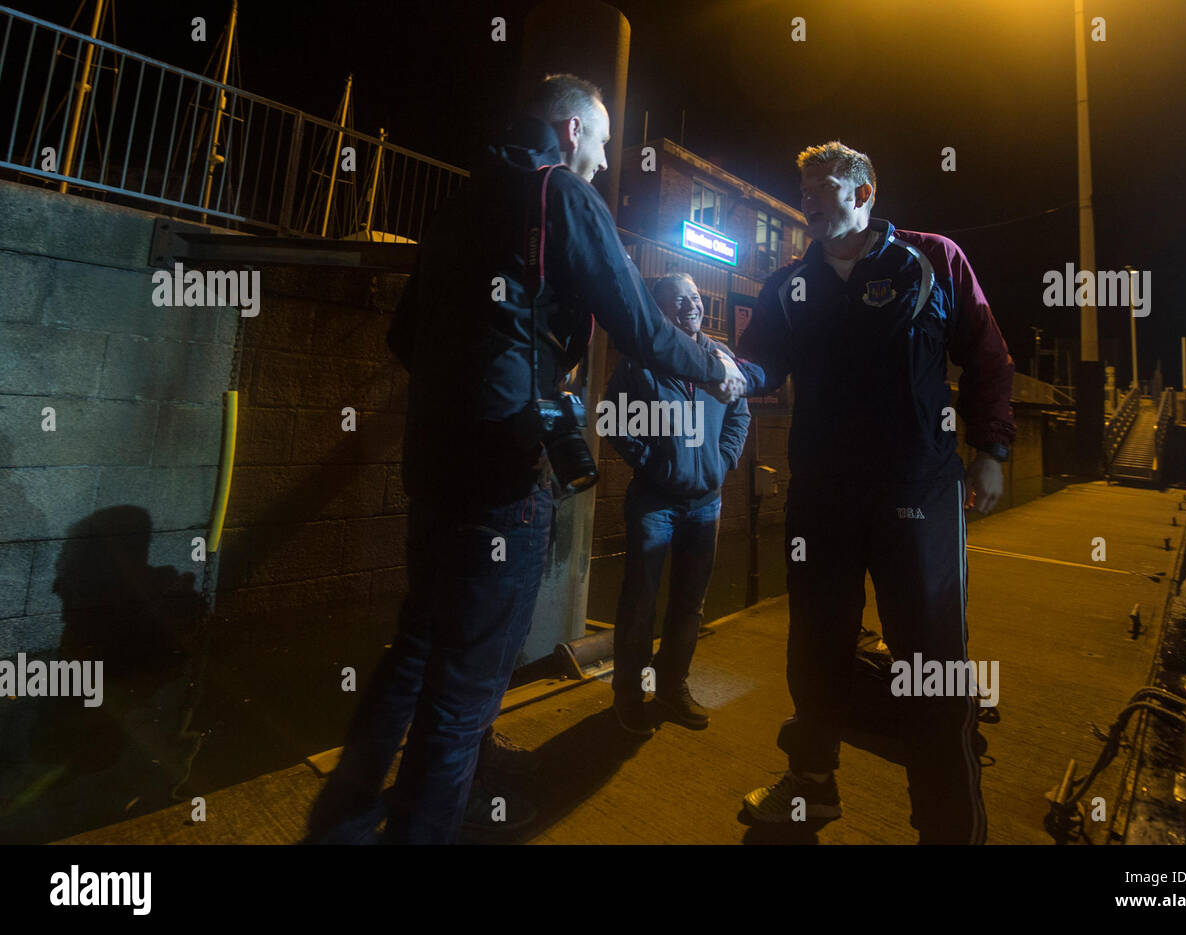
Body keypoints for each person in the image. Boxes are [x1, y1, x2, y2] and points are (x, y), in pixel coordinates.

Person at [304, 74, 744, 845]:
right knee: (464, 692)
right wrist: (712, 367)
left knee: (415, 649)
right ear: (571, 132)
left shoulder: (460, 199)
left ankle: (340, 822)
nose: (605, 164)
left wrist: (488, 358)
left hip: (433, 465)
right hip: (505, 471)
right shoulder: (562, 195)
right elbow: (638, 322)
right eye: (603, 144)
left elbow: (405, 336)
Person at [732, 141, 1015, 844]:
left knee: (932, 660)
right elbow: (759, 363)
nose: (808, 198)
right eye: (802, 188)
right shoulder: (788, 284)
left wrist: (993, 449)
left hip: (917, 493)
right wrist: (721, 368)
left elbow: (986, 352)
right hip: (822, 498)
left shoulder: (931, 259)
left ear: (864, 191)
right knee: (815, 646)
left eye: (822, 184)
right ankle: (812, 782)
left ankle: (947, 824)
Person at [604, 273, 751, 736]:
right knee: (640, 602)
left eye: (697, 297)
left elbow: (739, 413)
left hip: (706, 502)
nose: (693, 304)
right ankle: (628, 696)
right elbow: (613, 420)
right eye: (680, 299)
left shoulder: (719, 357)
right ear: (659, 308)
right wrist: (654, 464)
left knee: (690, 603)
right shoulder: (639, 362)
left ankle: (672, 687)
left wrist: (721, 462)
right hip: (656, 503)